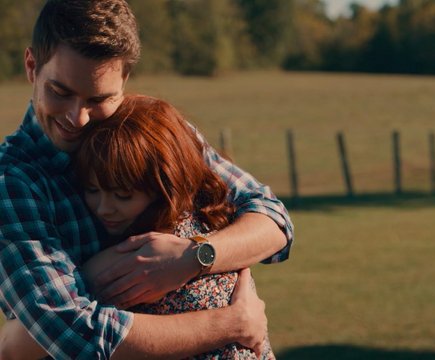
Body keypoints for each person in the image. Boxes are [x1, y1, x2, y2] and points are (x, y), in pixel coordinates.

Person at [0, 0, 293, 358]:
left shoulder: (154, 135)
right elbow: (75, 336)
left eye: (98, 99)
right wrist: (231, 324)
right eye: (60, 92)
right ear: (32, 67)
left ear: (124, 80)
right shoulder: (12, 183)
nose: (77, 118)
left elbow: (272, 218)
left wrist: (194, 257)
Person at [4, 94, 276, 359]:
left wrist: (96, 270)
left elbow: (24, 345)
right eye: (91, 190)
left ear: (161, 190)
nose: (104, 208)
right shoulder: (211, 224)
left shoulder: (151, 253)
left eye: (123, 195)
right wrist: (233, 322)